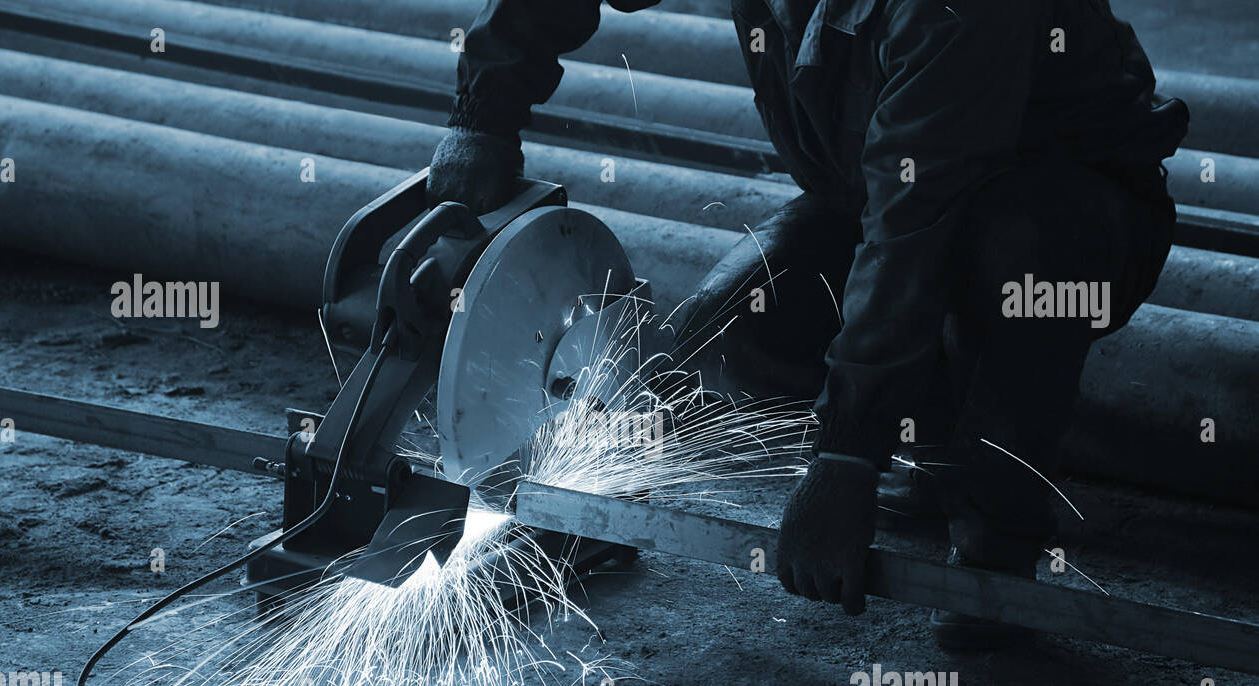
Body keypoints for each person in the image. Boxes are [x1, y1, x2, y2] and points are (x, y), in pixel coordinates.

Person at [427, 0, 1188, 648]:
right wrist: (482, 120)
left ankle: (999, 524)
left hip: (1059, 218)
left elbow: (914, 227)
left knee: (1014, 259)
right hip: (881, 192)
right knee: (726, 336)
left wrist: (846, 460)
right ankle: (930, 430)